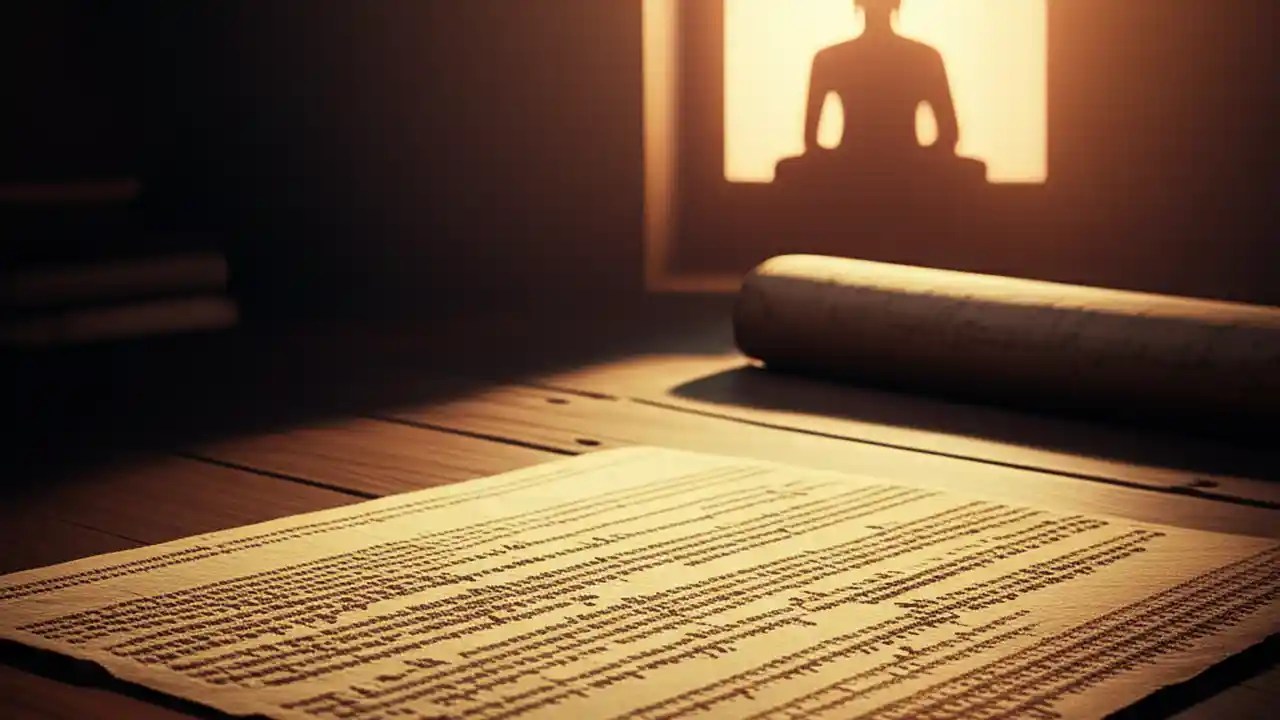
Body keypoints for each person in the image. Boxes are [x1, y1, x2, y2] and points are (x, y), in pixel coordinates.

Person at [776, 0, 985, 186]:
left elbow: (812, 143)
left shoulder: (830, 58)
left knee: (789, 169)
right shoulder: (925, 57)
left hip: (862, 161)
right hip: (891, 161)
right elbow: (948, 136)